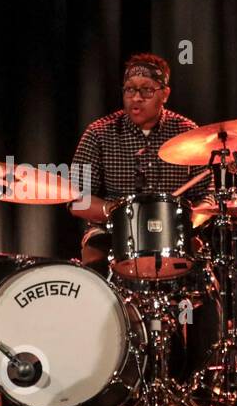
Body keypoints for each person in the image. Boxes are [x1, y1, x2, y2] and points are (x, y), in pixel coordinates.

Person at [68, 53, 211, 267]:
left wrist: (182, 222)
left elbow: (207, 198)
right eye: (130, 89)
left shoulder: (187, 133)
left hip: (173, 234)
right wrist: (118, 212)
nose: (136, 97)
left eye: (147, 90)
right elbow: (76, 199)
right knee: (93, 258)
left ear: (165, 94)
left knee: (201, 262)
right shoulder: (98, 133)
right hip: (111, 231)